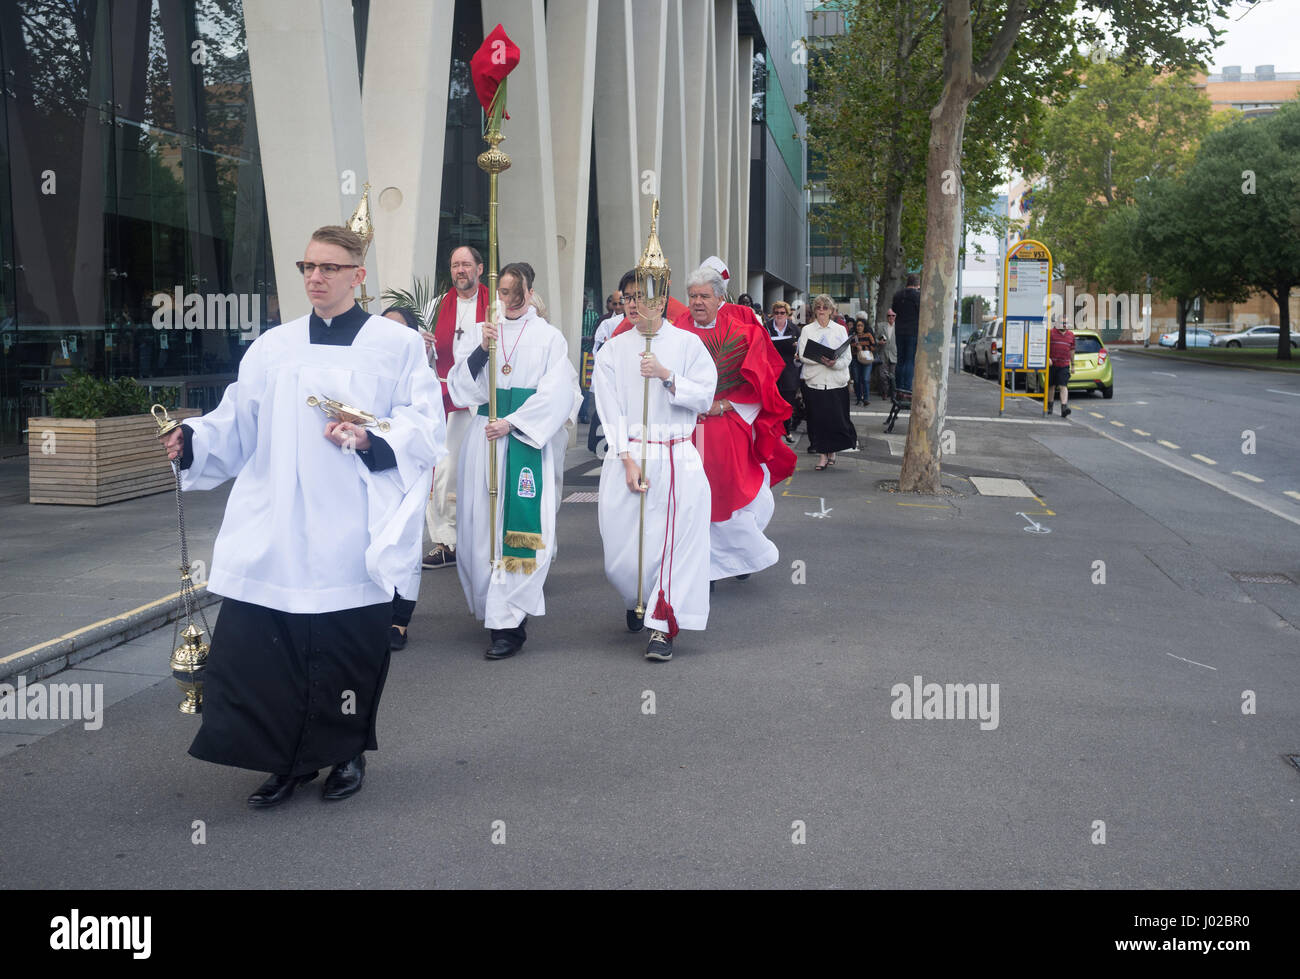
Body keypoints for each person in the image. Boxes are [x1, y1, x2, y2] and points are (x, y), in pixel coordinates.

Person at [160, 225, 446, 808]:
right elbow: (237, 421)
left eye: (329, 268)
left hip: (348, 521)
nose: (315, 278)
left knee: (345, 649)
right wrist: (190, 439)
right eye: (307, 267)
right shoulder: (274, 347)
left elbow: (425, 425)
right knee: (268, 652)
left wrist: (371, 437)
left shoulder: (396, 348)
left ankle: (344, 754)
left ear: (357, 276)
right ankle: (283, 761)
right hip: (278, 524)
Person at [447, 261, 580, 660]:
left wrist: (514, 423)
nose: (507, 299)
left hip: (521, 439)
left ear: (528, 290)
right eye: (502, 292)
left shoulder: (549, 338)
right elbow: (460, 386)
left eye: (513, 292)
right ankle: (490, 604)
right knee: (479, 524)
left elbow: (558, 393)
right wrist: (481, 350)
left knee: (517, 530)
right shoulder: (483, 331)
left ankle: (510, 620)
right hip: (484, 438)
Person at [594, 272, 716, 662]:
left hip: (677, 456)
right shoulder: (612, 352)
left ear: (660, 301)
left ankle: (662, 627)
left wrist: (666, 375)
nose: (631, 304)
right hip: (628, 457)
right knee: (621, 556)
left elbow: (705, 396)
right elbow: (608, 409)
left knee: (675, 548)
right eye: (626, 297)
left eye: (639, 297)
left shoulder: (688, 344)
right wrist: (626, 458)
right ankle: (637, 595)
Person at [677, 263, 795, 586]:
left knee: (726, 495)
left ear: (719, 298)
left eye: (703, 296)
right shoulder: (676, 330)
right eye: (692, 296)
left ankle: (739, 555)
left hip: (725, 426)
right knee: (691, 497)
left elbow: (761, 383)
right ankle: (706, 565)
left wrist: (722, 405)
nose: (697, 302)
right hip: (686, 428)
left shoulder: (742, 330)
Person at [423, 245, 489, 572]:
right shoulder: (437, 306)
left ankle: (485, 538)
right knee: (445, 472)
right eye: (455, 265)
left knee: (484, 470)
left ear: (479, 268)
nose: (460, 270)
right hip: (448, 400)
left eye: (466, 264)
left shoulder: (494, 305)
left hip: (484, 400)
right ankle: (445, 541)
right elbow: (428, 357)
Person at [382, 305, 434, 651]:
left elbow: (428, 424)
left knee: (404, 542)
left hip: (409, 467)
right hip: (373, 466)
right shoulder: (367, 365)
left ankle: (400, 618)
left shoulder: (420, 372)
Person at [799, 294, 857, 471]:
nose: (822, 310)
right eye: (818, 307)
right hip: (815, 382)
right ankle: (823, 456)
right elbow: (802, 354)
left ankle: (832, 451)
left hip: (835, 382)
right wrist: (822, 359)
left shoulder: (840, 330)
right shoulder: (808, 330)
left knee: (836, 420)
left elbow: (847, 356)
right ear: (815, 311)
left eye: (825, 307)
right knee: (818, 421)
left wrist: (834, 363)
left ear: (832, 311)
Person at [767, 300, 801, 443]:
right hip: (771, 371)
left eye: (782, 313)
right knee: (772, 403)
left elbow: (801, 350)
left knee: (787, 402)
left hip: (789, 370)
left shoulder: (795, 329)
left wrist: (796, 348)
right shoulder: (766, 327)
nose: (779, 315)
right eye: (777, 313)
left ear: (787, 314)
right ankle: (773, 431)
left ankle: (786, 430)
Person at [890, 273, 921, 392]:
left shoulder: (898, 295)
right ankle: (907, 389)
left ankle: (898, 387)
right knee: (909, 360)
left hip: (899, 331)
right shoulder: (918, 296)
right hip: (912, 331)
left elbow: (894, 310)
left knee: (900, 360)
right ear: (917, 284)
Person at [1048, 316, 1075, 417]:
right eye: (1063, 323)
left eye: (1066, 323)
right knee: (1051, 386)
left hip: (1064, 365)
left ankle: (1064, 408)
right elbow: (1044, 347)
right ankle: (1049, 407)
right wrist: (1047, 358)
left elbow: (1072, 351)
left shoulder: (1071, 335)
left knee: (1063, 385)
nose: (1065, 325)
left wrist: (1073, 365)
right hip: (1052, 365)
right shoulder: (1051, 333)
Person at [850, 314, 876, 406]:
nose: (859, 327)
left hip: (867, 359)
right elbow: (849, 350)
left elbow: (873, 346)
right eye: (857, 325)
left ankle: (866, 399)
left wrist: (863, 347)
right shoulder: (853, 337)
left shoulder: (868, 335)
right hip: (855, 360)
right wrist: (856, 349)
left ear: (864, 326)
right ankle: (858, 398)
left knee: (865, 379)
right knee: (856, 380)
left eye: (861, 325)